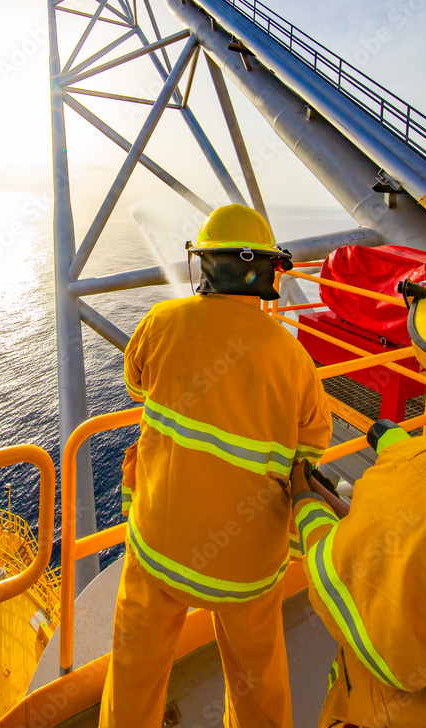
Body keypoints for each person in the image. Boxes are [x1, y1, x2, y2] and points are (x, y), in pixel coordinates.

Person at [98, 204, 333, 728]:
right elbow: (311, 447)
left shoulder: (162, 322)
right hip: (247, 570)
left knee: (134, 673)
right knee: (259, 681)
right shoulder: (293, 360)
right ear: (271, 272)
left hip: (160, 548)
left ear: (203, 264)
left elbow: (136, 385)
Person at [291, 236, 426, 728]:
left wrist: (309, 503)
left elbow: (373, 627)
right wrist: (405, 453)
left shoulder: (419, 483)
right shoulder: (422, 474)